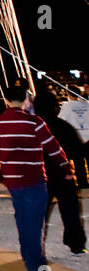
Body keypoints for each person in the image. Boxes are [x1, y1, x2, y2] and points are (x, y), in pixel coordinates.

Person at [0, 81, 71, 271]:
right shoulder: (35, 122)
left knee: (22, 218)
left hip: (13, 181)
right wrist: (65, 167)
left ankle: (28, 256)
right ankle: (36, 264)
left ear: (6, 101)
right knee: (35, 222)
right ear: (26, 99)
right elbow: (53, 148)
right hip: (34, 178)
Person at [31, 89, 85, 255]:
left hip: (39, 177)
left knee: (38, 215)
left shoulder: (32, 128)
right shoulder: (63, 126)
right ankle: (75, 244)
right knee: (70, 212)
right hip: (63, 175)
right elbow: (77, 152)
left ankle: (34, 246)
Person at [58, 91, 89, 189]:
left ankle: (82, 183)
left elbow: (61, 119)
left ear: (69, 94)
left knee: (78, 162)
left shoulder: (67, 106)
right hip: (88, 136)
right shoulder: (87, 104)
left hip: (76, 137)